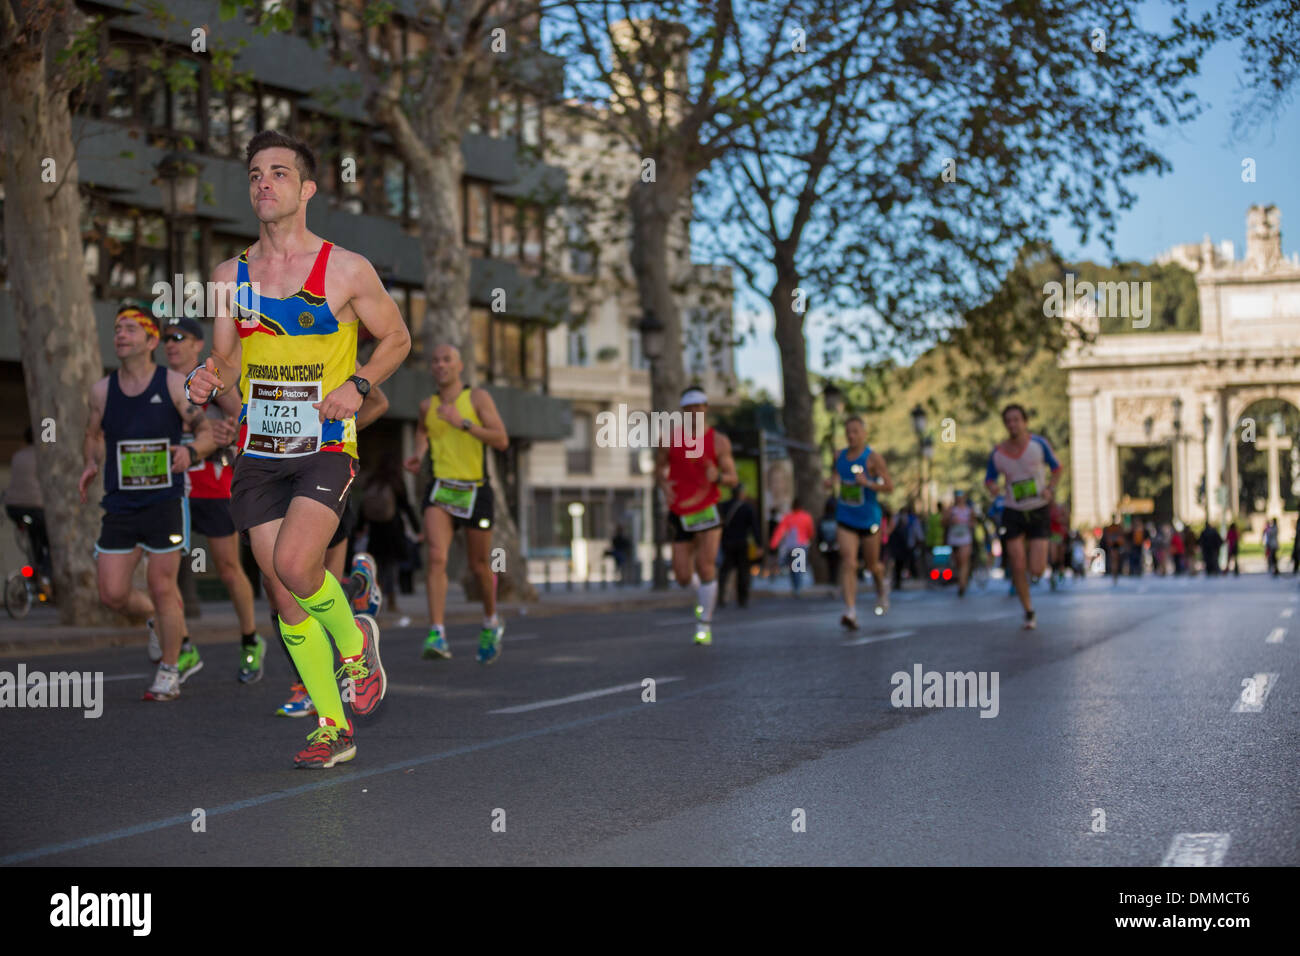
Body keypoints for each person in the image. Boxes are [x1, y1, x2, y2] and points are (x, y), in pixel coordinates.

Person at [188, 130, 409, 768]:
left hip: (324, 443)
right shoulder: (229, 276)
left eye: (279, 173)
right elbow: (226, 359)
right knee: (284, 595)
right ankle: (332, 729)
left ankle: (352, 643)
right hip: (258, 447)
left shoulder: (344, 268)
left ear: (307, 189)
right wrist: (209, 377)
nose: (264, 183)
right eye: (255, 174)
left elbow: (396, 338)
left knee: (295, 564)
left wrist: (357, 383)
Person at [79, 303, 218, 700]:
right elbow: (93, 433)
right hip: (120, 504)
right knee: (112, 594)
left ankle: (170, 670)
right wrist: (90, 462)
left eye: (130, 329)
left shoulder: (174, 385)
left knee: (162, 585)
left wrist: (191, 454)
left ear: (151, 341)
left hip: (164, 500)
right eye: (117, 329)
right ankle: (158, 625)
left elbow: (205, 432)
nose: (120, 335)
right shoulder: (101, 391)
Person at [161, 315, 266, 681]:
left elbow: (248, 419)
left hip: (214, 488)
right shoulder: (160, 384)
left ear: (197, 344)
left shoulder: (213, 381)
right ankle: (184, 647)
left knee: (226, 567)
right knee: (165, 571)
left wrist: (229, 432)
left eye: (178, 337)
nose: (170, 344)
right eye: (166, 339)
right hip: (174, 489)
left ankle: (251, 639)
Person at [404, 343, 509, 662]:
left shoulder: (477, 398)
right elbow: (423, 432)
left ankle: (491, 620)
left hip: (475, 490)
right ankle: (437, 632)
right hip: (441, 489)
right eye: (435, 360)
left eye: (446, 359)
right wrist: (418, 454)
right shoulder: (427, 405)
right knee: (436, 557)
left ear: (459, 365)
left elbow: (501, 439)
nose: (440, 365)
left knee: (479, 566)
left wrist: (462, 422)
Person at [657, 386, 739, 644]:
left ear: (706, 408)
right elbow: (660, 468)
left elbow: (733, 478)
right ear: (683, 412)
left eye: (699, 407)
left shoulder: (718, 441)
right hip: (680, 510)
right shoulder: (669, 439)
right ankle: (703, 596)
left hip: (707, 509)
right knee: (682, 576)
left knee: (705, 566)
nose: (694, 412)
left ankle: (704, 625)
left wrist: (719, 477)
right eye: (689, 408)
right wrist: (663, 485)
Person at [984, 403, 1061, 630]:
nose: (1012, 424)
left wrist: (1050, 489)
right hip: (1012, 511)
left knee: (1036, 569)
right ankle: (1028, 610)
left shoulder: (1039, 445)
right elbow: (989, 479)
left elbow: (1057, 468)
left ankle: (1032, 561)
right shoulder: (998, 453)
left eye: (1016, 419)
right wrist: (992, 488)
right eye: (1008, 421)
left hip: (1038, 508)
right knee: (1017, 564)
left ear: (1025, 422)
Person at [826, 415, 894, 627]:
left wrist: (868, 483)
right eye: (848, 432)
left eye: (855, 431)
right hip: (845, 517)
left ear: (864, 433)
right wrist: (830, 482)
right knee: (849, 562)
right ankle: (850, 611)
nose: (851, 435)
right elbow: (835, 477)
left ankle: (881, 589)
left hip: (869, 520)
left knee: (872, 565)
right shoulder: (839, 456)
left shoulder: (873, 458)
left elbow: (889, 487)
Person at [358, 452, 419, 615]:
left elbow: (363, 508)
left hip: (375, 530)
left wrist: (358, 527)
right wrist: (417, 528)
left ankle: (373, 597)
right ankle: (391, 601)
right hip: (392, 529)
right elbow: (406, 506)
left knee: (376, 565)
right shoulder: (396, 482)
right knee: (391, 567)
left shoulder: (372, 481)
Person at [5, 426, 49, 580]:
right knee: (51, 542)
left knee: (34, 538)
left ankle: (35, 571)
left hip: (12, 508)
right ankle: (44, 573)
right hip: (35, 507)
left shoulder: (18, 455)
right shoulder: (43, 456)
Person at [718, 484, 761, 608]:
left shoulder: (724, 506)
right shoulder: (747, 507)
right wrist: (759, 545)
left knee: (725, 570)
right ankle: (742, 599)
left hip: (726, 542)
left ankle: (722, 596)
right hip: (742, 542)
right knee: (743, 571)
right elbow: (754, 527)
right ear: (741, 493)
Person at [769, 498, 815, 597]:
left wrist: (773, 544)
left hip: (790, 546)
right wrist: (809, 538)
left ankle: (796, 586)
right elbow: (810, 531)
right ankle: (798, 587)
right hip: (802, 545)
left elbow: (780, 531)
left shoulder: (788, 517)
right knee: (798, 567)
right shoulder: (806, 517)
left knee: (793, 568)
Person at [945, 489, 975, 597]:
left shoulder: (969, 510)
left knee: (964, 561)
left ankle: (962, 585)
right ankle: (962, 580)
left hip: (965, 539)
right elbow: (943, 522)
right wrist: (950, 520)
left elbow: (973, 523)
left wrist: (969, 523)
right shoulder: (951, 510)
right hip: (954, 539)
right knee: (958, 562)